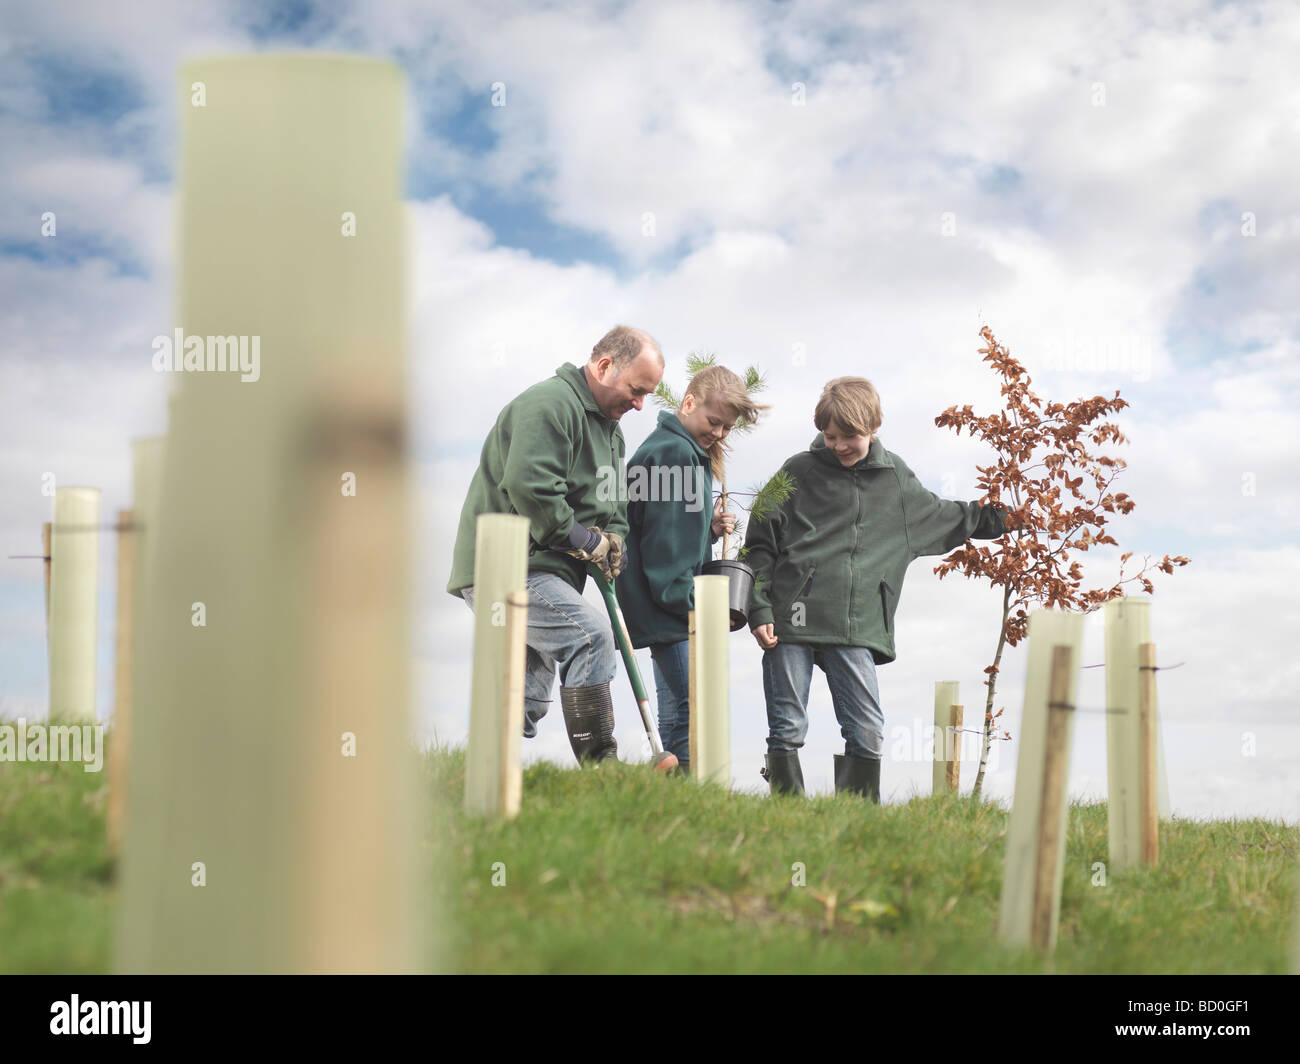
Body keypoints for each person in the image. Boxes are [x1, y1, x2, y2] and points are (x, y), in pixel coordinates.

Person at [743, 376, 1009, 801]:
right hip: (789, 622)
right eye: (830, 436)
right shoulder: (796, 472)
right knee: (787, 725)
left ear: (873, 427)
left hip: (856, 625)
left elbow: (948, 515)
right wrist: (759, 610)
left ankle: (856, 818)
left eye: (849, 436)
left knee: (866, 729)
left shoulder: (895, 481)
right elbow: (758, 546)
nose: (838, 445)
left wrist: (1010, 517)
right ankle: (785, 813)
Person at [447, 325, 664, 764]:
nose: (640, 404)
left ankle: (481, 781)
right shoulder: (548, 405)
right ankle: (602, 767)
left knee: (525, 694)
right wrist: (587, 541)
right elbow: (532, 490)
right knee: (590, 637)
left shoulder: (611, 431)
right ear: (604, 366)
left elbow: (612, 503)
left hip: (551, 571)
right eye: (636, 390)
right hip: (510, 565)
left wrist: (613, 538)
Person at [616, 366, 768, 774]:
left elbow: (665, 525)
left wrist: (708, 528)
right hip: (673, 605)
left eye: (727, 428)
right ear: (687, 403)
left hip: (663, 605)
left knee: (678, 713)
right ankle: (689, 796)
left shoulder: (673, 448)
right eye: (713, 421)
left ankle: (674, 803)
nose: (719, 433)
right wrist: (696, 609)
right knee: (691, 709)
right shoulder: (676, 453)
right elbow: (666, 551)